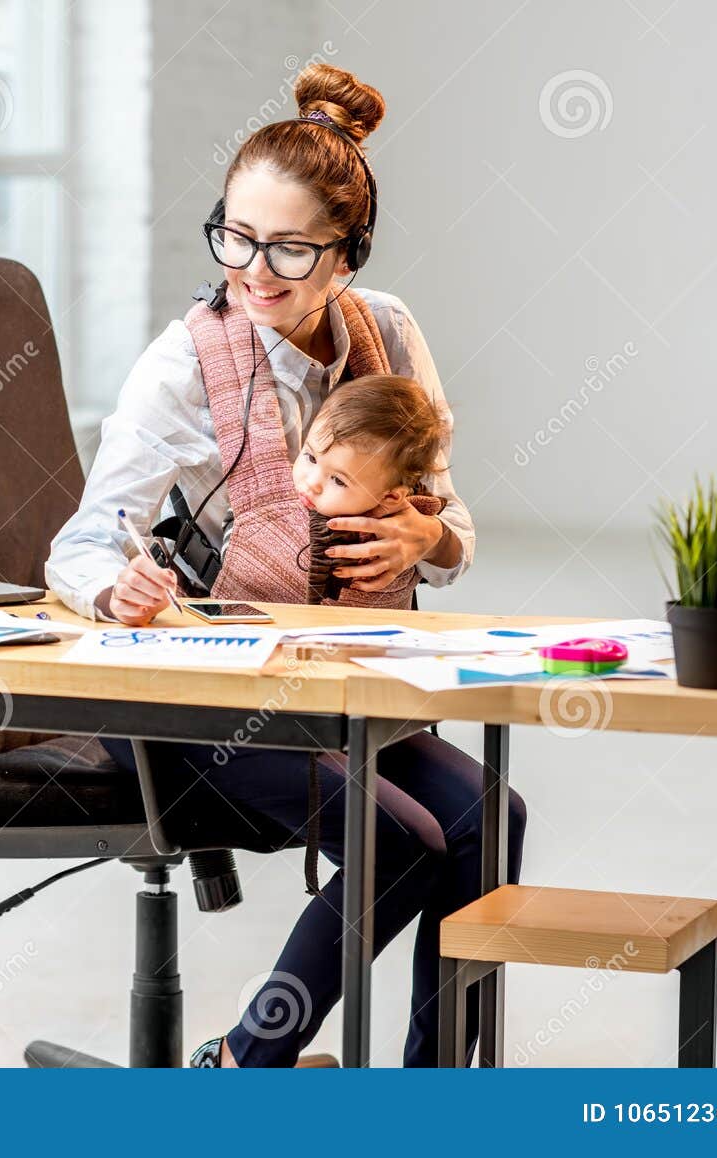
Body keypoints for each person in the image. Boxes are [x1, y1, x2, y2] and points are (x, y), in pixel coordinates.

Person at [44, 62, 526, 1067]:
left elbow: (450, 517)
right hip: (211, 706)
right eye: (234, 236)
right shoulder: (186, 363)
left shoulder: (387, 334)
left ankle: (433, 1092)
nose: (252, 272)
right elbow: (80, 543)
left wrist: (425, 538)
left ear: (346, 256)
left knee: (489, 816)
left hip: (346, 687)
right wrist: (117, 587)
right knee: (397, 839)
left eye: (289, 249)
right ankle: (242, 1068)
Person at [291, 374, 450, 604]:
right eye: (310, 457)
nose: (312, 482)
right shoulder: (272, 494)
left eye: (338, 480)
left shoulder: (395, 535)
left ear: (390, 497)